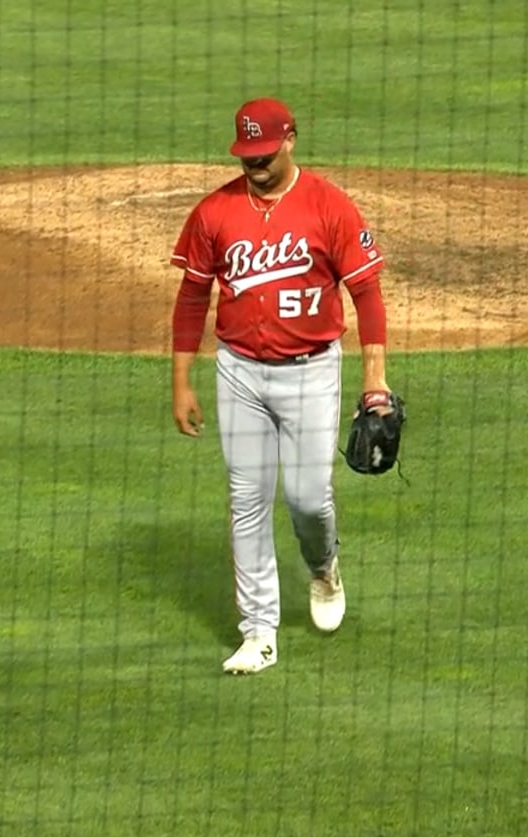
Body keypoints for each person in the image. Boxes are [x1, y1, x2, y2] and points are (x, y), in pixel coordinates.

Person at [168, 96, 396, 675]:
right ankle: (258, 631)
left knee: (306, 499)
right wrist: (181, 380)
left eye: (265, 153)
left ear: (291, 139)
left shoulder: (328, 206)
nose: (256, 165)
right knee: (246, 501)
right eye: (247, 155)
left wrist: (374, 380)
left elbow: (366, 294)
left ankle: (323, 568)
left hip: (312, 371)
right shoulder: (215, 212)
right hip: (239, 371)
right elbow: (193, 296)